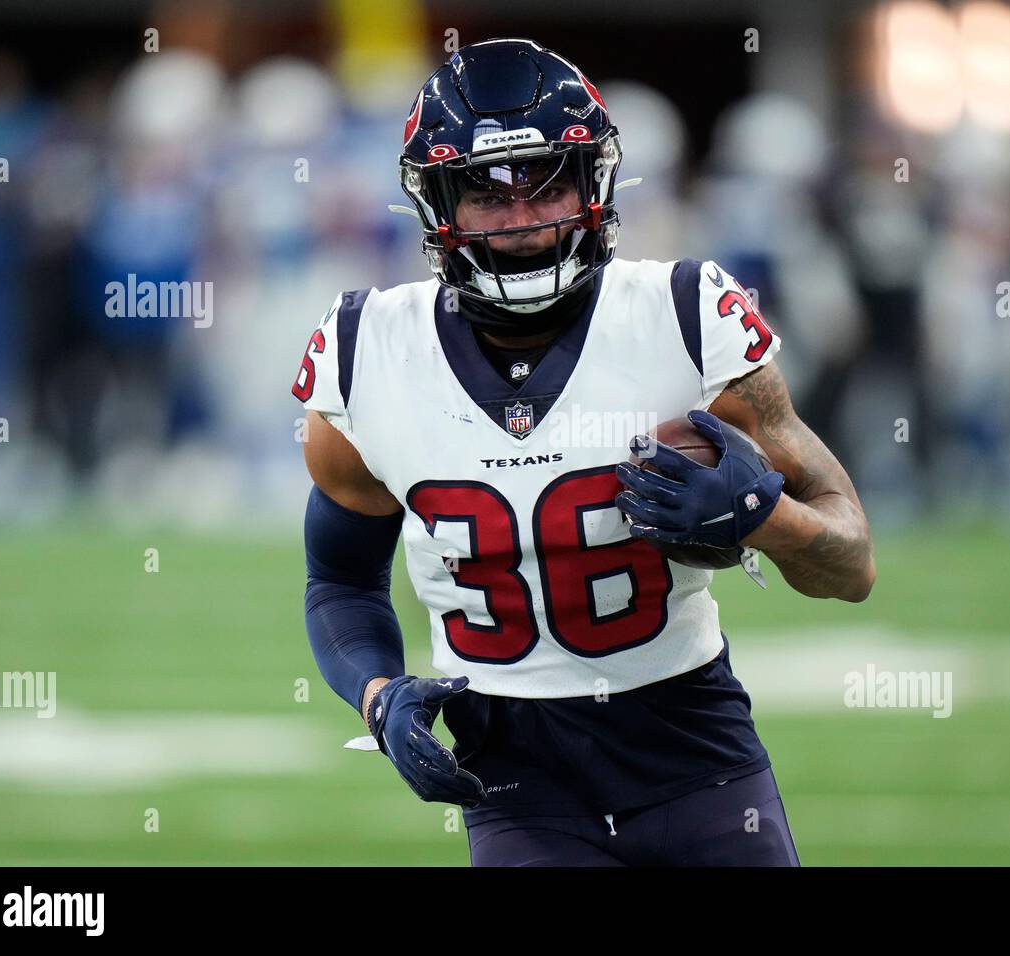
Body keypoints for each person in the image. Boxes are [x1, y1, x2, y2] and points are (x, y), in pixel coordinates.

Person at [294, 38, 875, 866]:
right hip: (515, 784)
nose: (524, 219)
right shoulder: (368, 351)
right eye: (487, 193)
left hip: (696, 756)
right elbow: (340, 579)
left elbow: (852, 563)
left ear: (594, 181)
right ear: (437, 207)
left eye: (547, 182)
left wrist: (762, 516)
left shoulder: (683, 313)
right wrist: (378, 698)